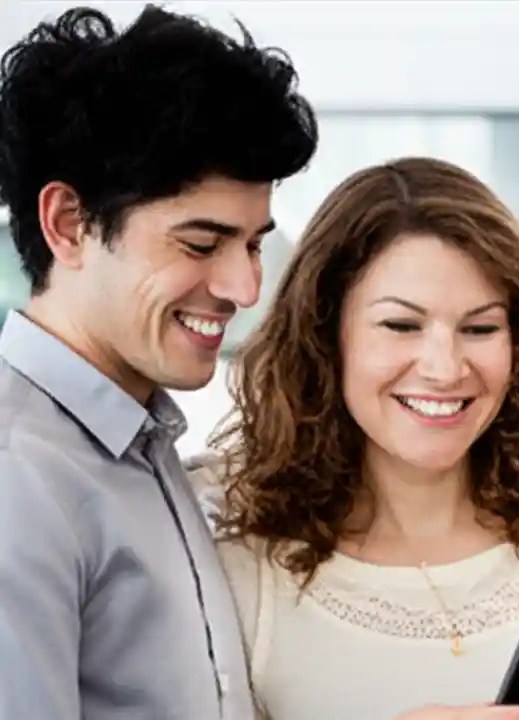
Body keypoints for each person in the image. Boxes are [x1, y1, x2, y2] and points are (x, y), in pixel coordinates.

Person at [185, 156, 519, 720]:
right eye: (401, 326)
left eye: (480, 328)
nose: (445, 368)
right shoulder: (229, 542)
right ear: (325, 336)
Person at [0, 5, 317, 719]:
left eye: (254, 244)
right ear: (68, 224)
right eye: (201, 245)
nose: (245, 289)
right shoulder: (18, 476)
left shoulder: (136, 443)